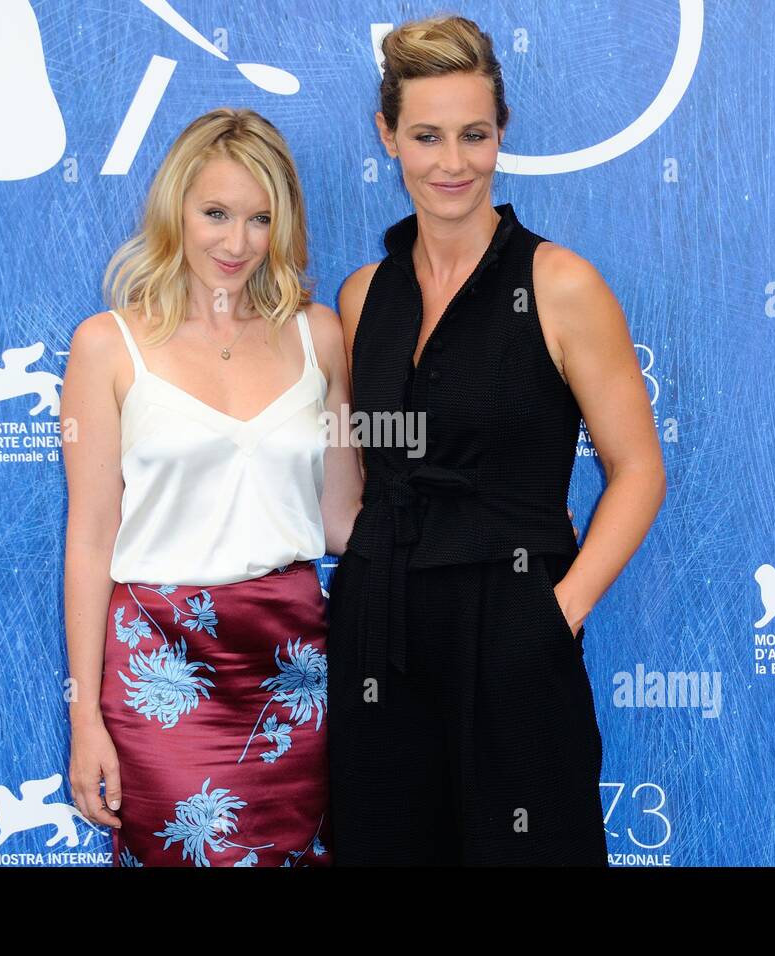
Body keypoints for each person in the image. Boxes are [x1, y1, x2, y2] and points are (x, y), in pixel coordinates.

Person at [326, 15, 667, 865]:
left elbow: (637, 470)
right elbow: (365, 473)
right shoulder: (364, 295)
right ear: (388, 137)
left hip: (513, 618)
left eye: (474, 135)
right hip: (381, 625)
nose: (452, 162)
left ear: (501, 136)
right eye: (427, 136)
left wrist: (557, 613)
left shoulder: (559, 283)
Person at [60, 108, 362, 867]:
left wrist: (489, 516)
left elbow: (343, 521)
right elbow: (91, 539)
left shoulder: (317, 336)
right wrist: (87, 719)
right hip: (161, 668)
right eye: (216, 214)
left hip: (295, 666)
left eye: (260, 219)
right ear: (176, 211)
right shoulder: (107, 346)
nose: (236, 243)